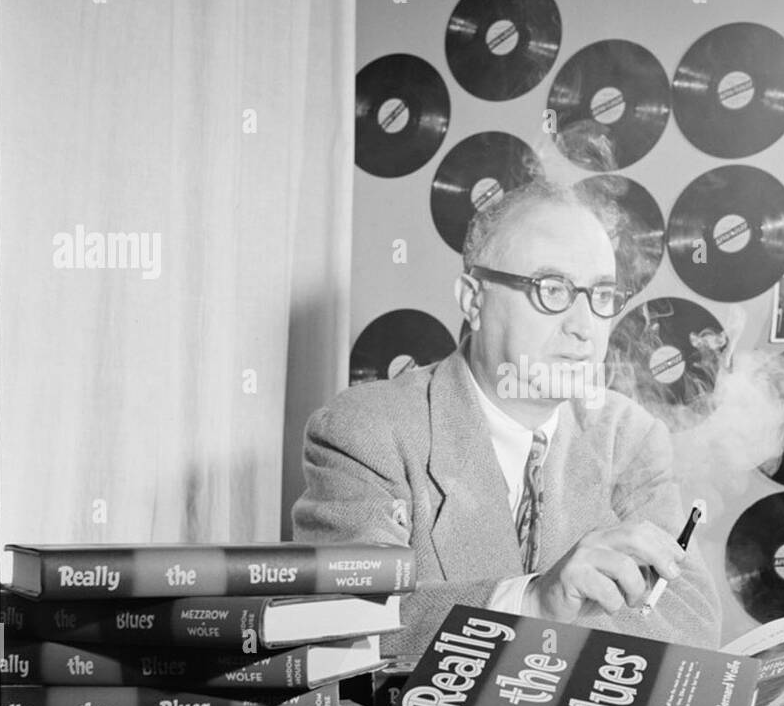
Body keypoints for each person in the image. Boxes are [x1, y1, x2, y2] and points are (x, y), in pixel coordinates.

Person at [292, 157, 723, 661]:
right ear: (473, 300)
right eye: (552, 290)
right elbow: (349, 625)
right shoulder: (367, 431)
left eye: (602, 295)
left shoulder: (628, 436)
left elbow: (687, 620)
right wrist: (535, 604)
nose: (585, 327)